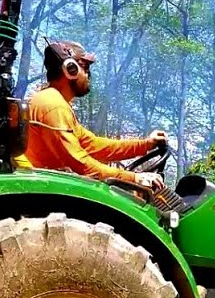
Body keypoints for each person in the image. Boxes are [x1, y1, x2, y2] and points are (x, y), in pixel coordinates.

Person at [14, 40, 167, 189]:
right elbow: (79, 163)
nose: (88, 75)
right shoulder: (53, 106)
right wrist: (134, 178)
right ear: (70, 69)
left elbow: (95, 146)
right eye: (85, 67)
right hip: (44, 191)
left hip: (47, 186)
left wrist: (146, 144)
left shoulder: (54, 102)